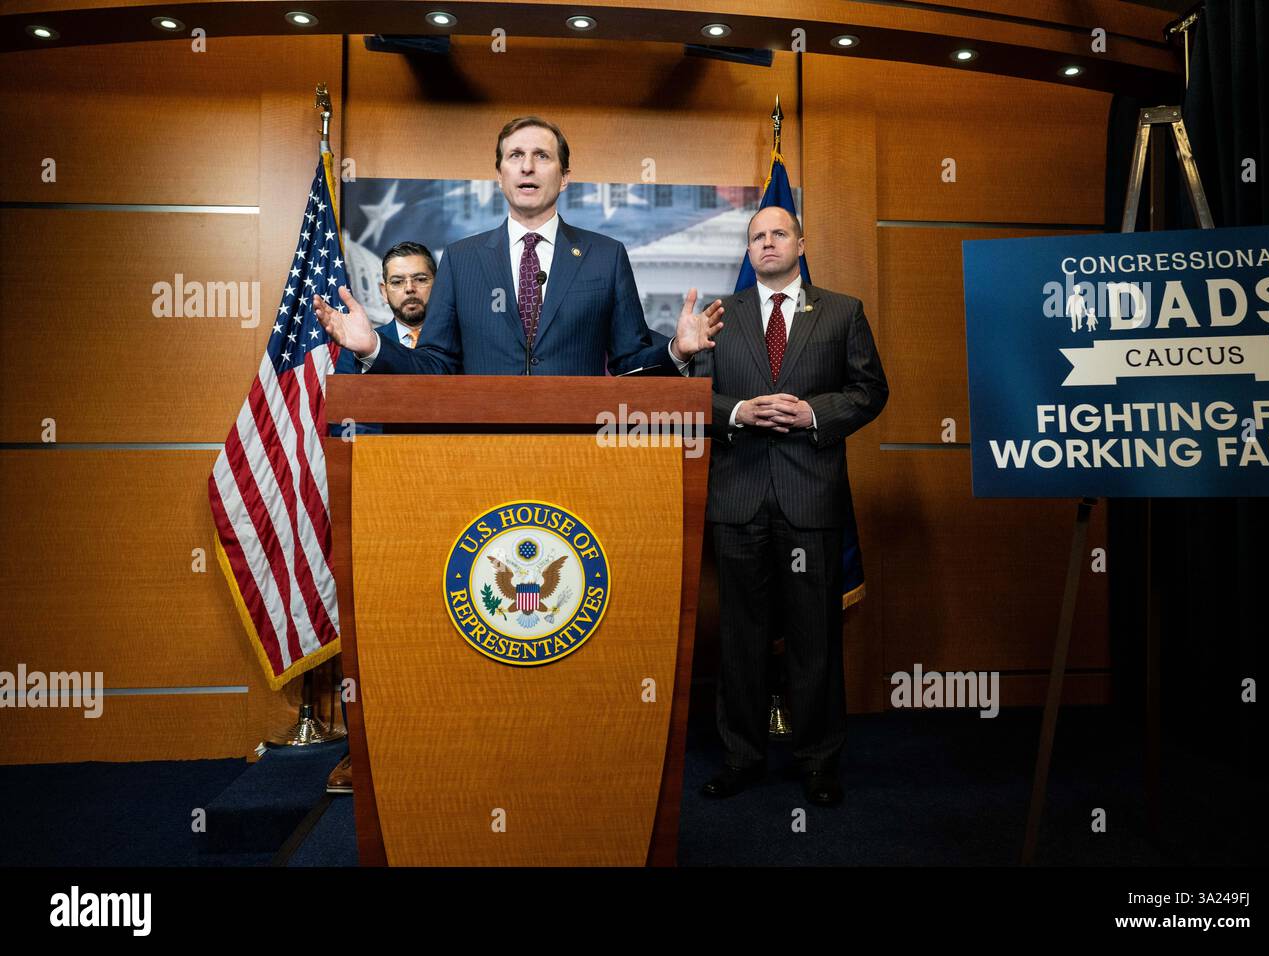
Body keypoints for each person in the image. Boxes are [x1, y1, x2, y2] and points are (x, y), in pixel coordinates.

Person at [689, 206, 888, 807]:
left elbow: (870, 390)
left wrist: (813, 414)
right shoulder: (722, 317)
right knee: (740, 638)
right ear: (747, 250)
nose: (767, 243)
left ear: (802, 241)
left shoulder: (842, 311)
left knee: (814, 637)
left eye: (779, 233)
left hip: (811, 497)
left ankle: (819, 761)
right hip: (738, 497)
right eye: (756, 236)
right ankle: (742, 757)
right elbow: (696, 395)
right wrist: (737, 412)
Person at [315, 116, 722, 374]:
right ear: (500, 175)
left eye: (542, 156)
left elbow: (629, 361)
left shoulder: (606, 256)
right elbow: (435, 365)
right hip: (483, 446)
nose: (527, 166)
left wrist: (676, 351)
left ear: (564, 177)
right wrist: (373, 348)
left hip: (579, 447)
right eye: (515, 156)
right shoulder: (461, 259)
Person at [333, 240, 437, 375]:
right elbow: (343, 395)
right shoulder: (359, 345)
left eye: (420, 279)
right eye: (397, 282)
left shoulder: (462, 341)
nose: (409, 288)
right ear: (384, 292)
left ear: (438, 284)